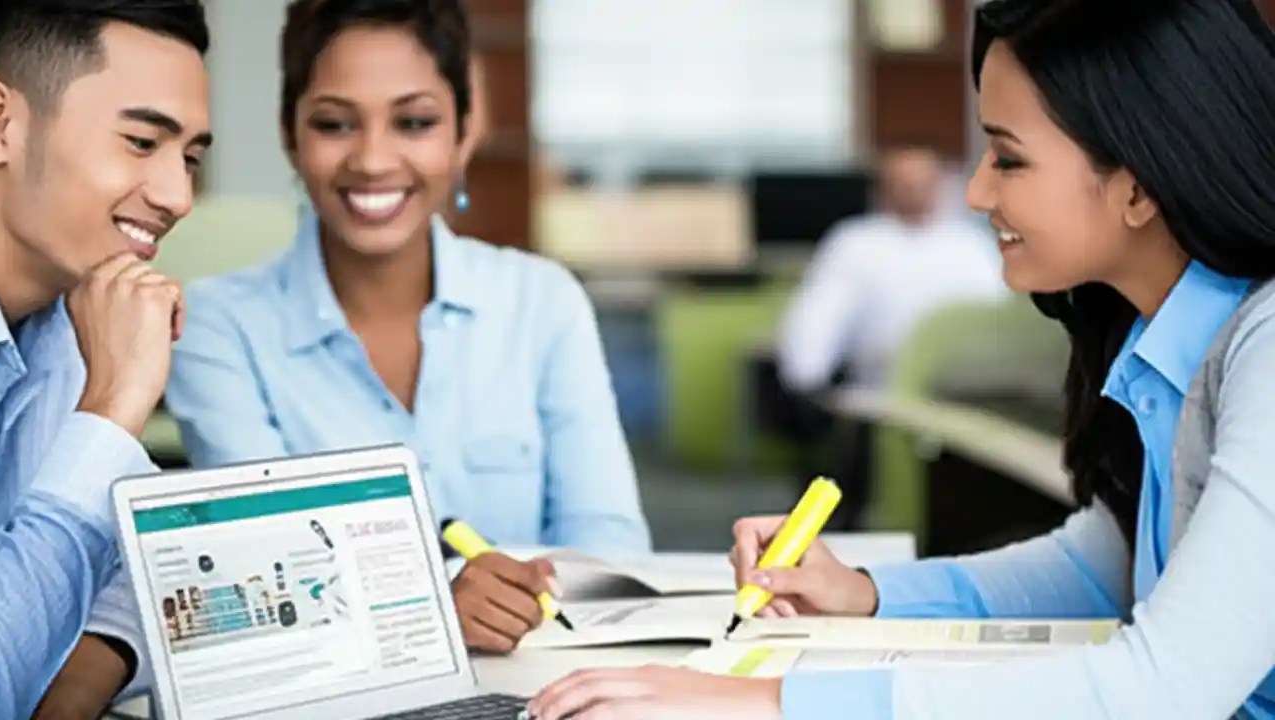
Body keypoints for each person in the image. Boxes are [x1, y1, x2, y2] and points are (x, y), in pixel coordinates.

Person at [527, 0, 1275, 717]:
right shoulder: (1162, 343)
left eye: (1008, 160)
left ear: (1137, 186)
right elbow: (1103, 568)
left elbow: (1162, 691)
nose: (977, 191)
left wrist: (761, 704)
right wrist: (863, 592)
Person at [162, 0, 650, 657]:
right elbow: (266, 570)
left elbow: (611, 547)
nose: (371, 159)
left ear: (464, 131)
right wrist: (435, 600)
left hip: (546, 676)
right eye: (334, 124)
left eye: (414, 122)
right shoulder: (217, 326)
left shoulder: (542, 301)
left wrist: (508, 600)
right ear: (290, 134)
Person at [0, 1, 210, 718]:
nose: (178, 197)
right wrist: (115, 411)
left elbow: (141, 575)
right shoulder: (104, 355)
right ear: (0, 123)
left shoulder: (74, 318)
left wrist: (79, 688)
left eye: (191, 159)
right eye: (143, 142)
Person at [771, 142, 1005, 529]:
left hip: (973, 398)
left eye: (923, 182)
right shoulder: (857, 242)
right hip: (883, 399)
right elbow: (812, 330)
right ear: (881, 188)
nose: (914, 191)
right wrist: (806, 380)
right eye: (902, 183)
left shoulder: (972, 245)